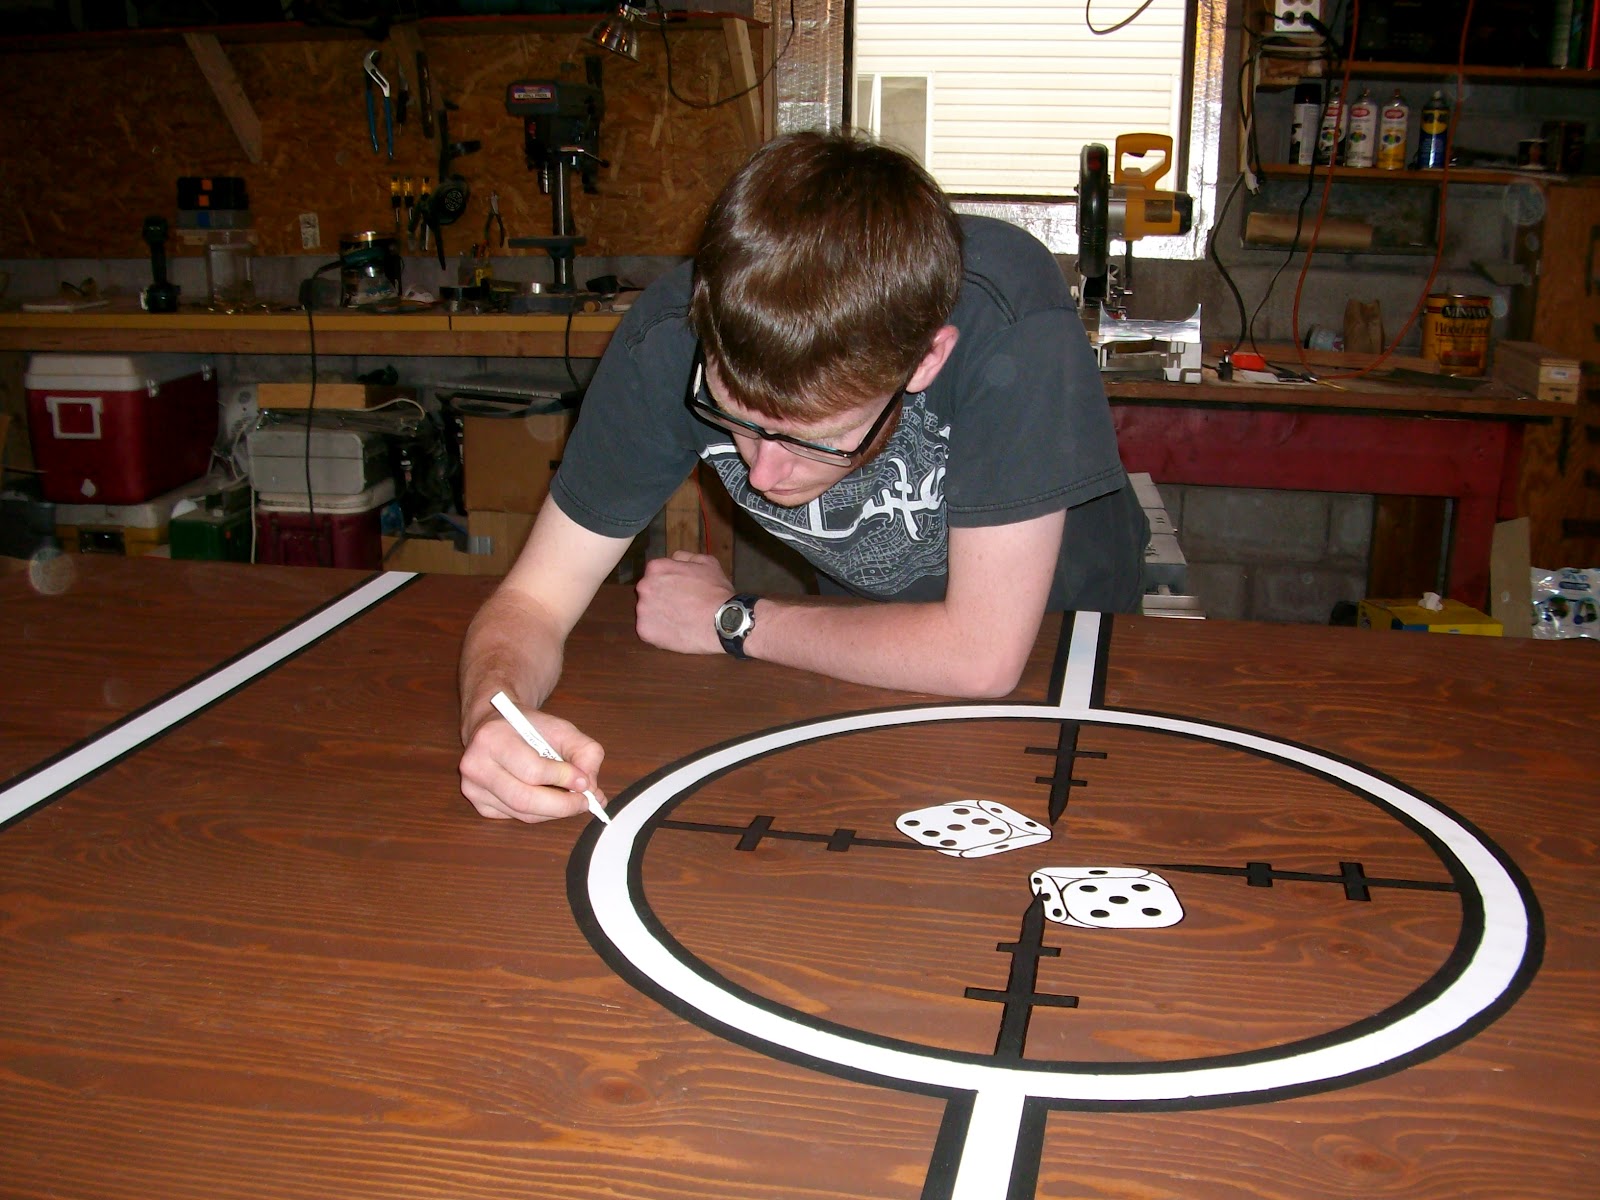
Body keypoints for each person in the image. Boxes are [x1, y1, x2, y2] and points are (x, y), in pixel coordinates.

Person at [458, 129, 1147, 823]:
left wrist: (733, 622)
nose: (764, 474)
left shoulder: (1010, 319)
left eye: (817, 440)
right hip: (860, 656)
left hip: (1072, 647)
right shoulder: (668, 343)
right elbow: (535, 602)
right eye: (733, 416)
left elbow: (983, 658)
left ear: (926, 362)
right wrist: (493, 718)